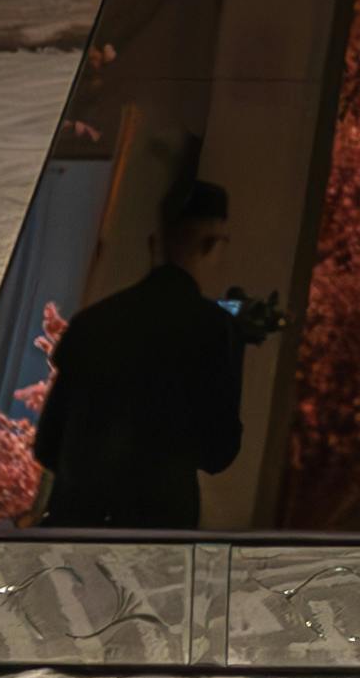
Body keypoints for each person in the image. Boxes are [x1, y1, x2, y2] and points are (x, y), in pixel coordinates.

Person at [27, 179, 278, 529]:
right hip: (156, 537)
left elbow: (48, 446)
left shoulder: (91, 322)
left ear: (155, 242)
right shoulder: (214, 328)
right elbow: (218, 451)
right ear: (211, 245)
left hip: (75, 524)